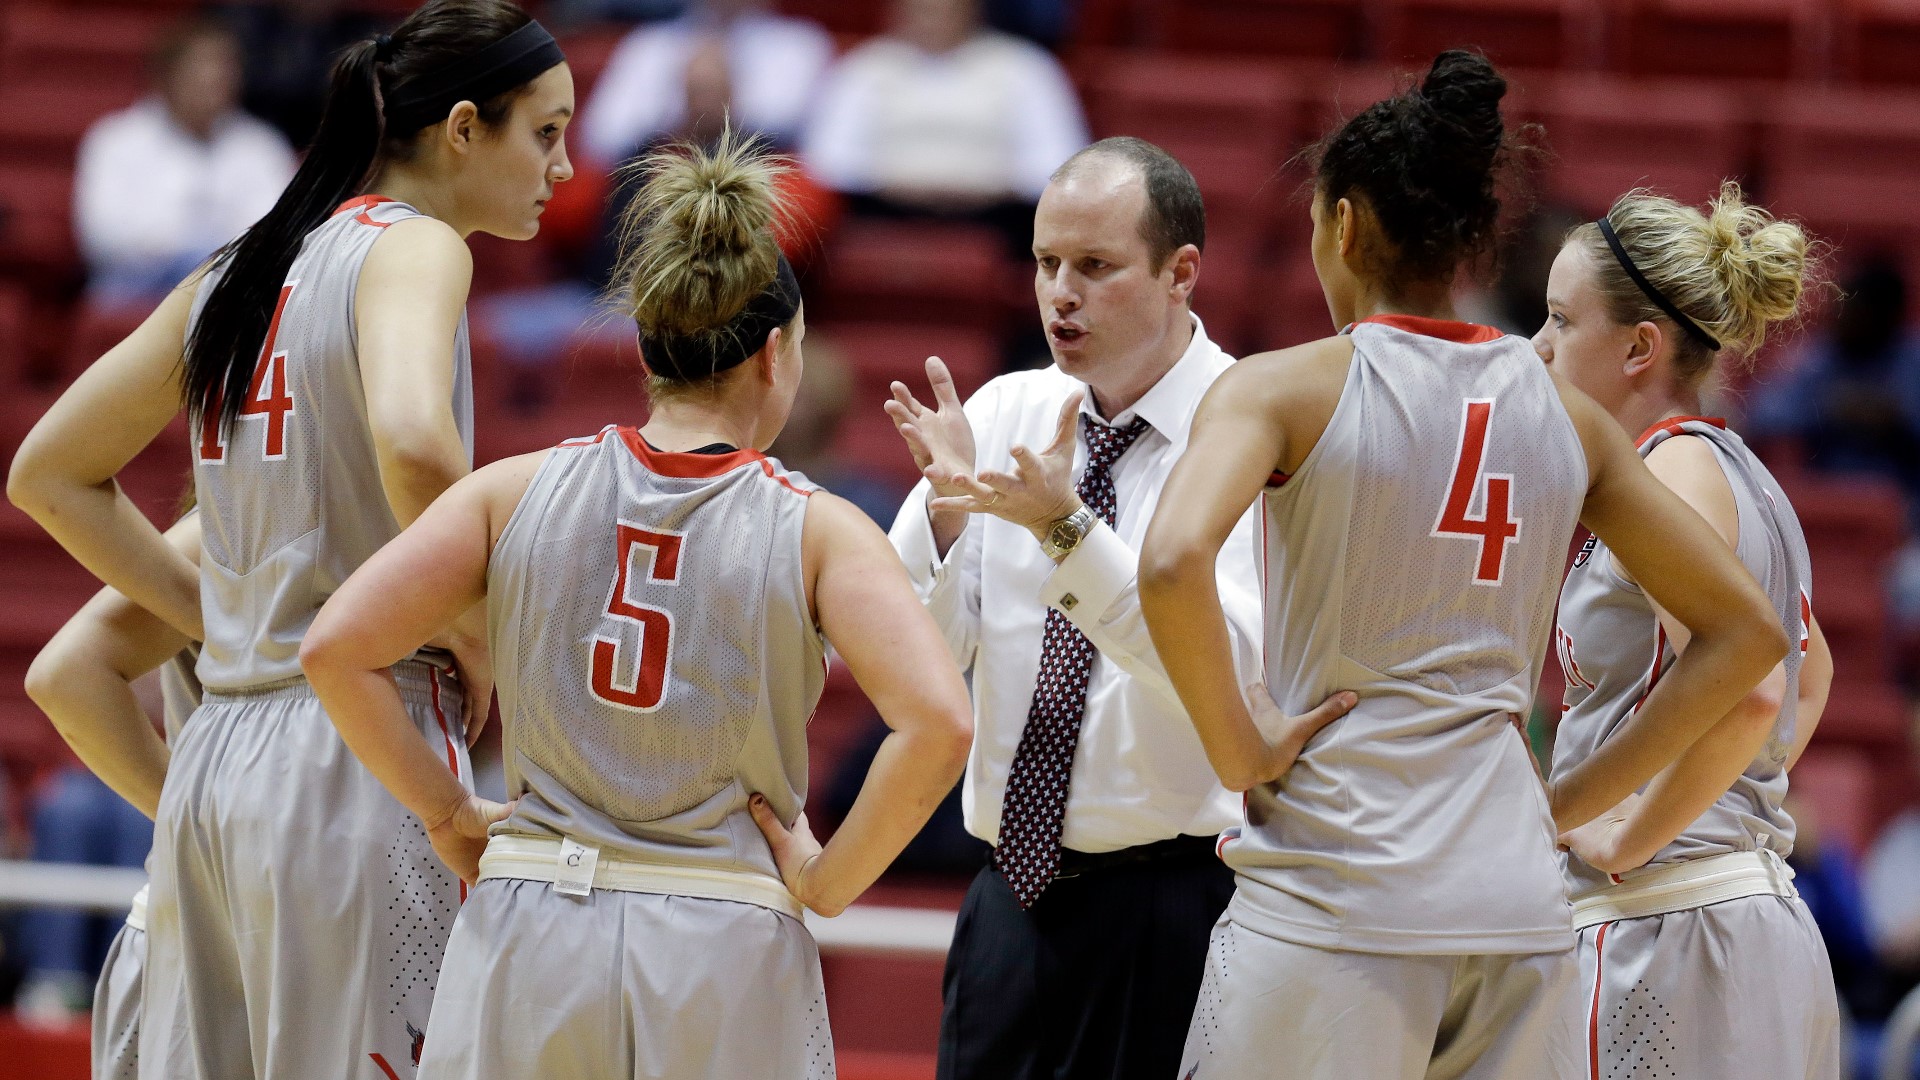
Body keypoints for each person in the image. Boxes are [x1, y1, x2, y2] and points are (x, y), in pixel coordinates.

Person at [1136, 51, 1789, 1080]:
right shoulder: (1569, 418)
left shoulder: (1283, 387)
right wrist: (1565, 803)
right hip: (1515, 902)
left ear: (1343, 225)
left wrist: (1241, 751)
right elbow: (1748, 634)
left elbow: (1171, 561)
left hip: (1339, 883)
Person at [300, 131, 973, 1079]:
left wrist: (448, 809)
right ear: (775, 355)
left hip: (532, 924)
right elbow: (940, 724)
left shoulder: (511, 488)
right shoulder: (821, 528)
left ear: (649, 346)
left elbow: (335, 648)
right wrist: (829, 880)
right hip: (716, 935)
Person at [7, 3, 574, 1076]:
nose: (563, 163)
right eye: (543, 132)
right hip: (359, 742)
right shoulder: (415, 245)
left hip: (219, 758)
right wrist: (481, 625)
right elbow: (412, 440)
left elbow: (48, 476)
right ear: (462, 130)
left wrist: (221, 624)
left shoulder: (240, 267)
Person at [883, 135, 1348, 1080]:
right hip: (1010, 896)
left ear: (1182, 274)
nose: (1060, 293)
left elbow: (1224, 669)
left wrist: (1066, 530)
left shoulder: (1254, 426)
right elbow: (917, 666)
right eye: (1047, 262)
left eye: (1095, 267)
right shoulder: (1006, 410)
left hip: (1178, 896)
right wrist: (938, 521)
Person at [1536, 184, 1840, 1078]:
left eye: (1558, 319)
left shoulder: (1668, 477)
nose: (1536, 346)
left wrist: (1632, 831)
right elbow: (1811, 677)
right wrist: (1715, 800)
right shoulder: (1738, 467)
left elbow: (1754, 690)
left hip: (1666, 930)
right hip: (1757, 916)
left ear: (1638, 347)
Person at [23, 509, 203, 1076]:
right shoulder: (214, 541)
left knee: (133, 821)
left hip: (207, 803)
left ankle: (94, 974)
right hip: (207, 809)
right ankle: (59, 979)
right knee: (73, 805)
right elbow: (67, 678)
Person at [803, 0, 1088, 253]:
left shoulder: (1026, 68)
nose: (934, 12)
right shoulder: (863, 68)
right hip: (880, 216)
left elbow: (1059, 166)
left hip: (998, 224)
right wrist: (909, 189)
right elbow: (827, 162)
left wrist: (976, 191)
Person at [74, 16, 297, 306]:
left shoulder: (263, 146)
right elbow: (102, 236)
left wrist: (207, 255)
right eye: (198, 68)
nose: (211, 79)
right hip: (136, 285)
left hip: (233, 288)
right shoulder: (115, 140)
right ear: (166, 76)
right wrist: (183, 249)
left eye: (222, 69)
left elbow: (278, 234)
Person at [578, 0, 832, 164]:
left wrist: (720, 106)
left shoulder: (798, 43)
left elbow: (792, 127)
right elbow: (600, 138)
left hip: (757, 183)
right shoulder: (649, 43)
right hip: (657, 182)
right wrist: (682, 111)